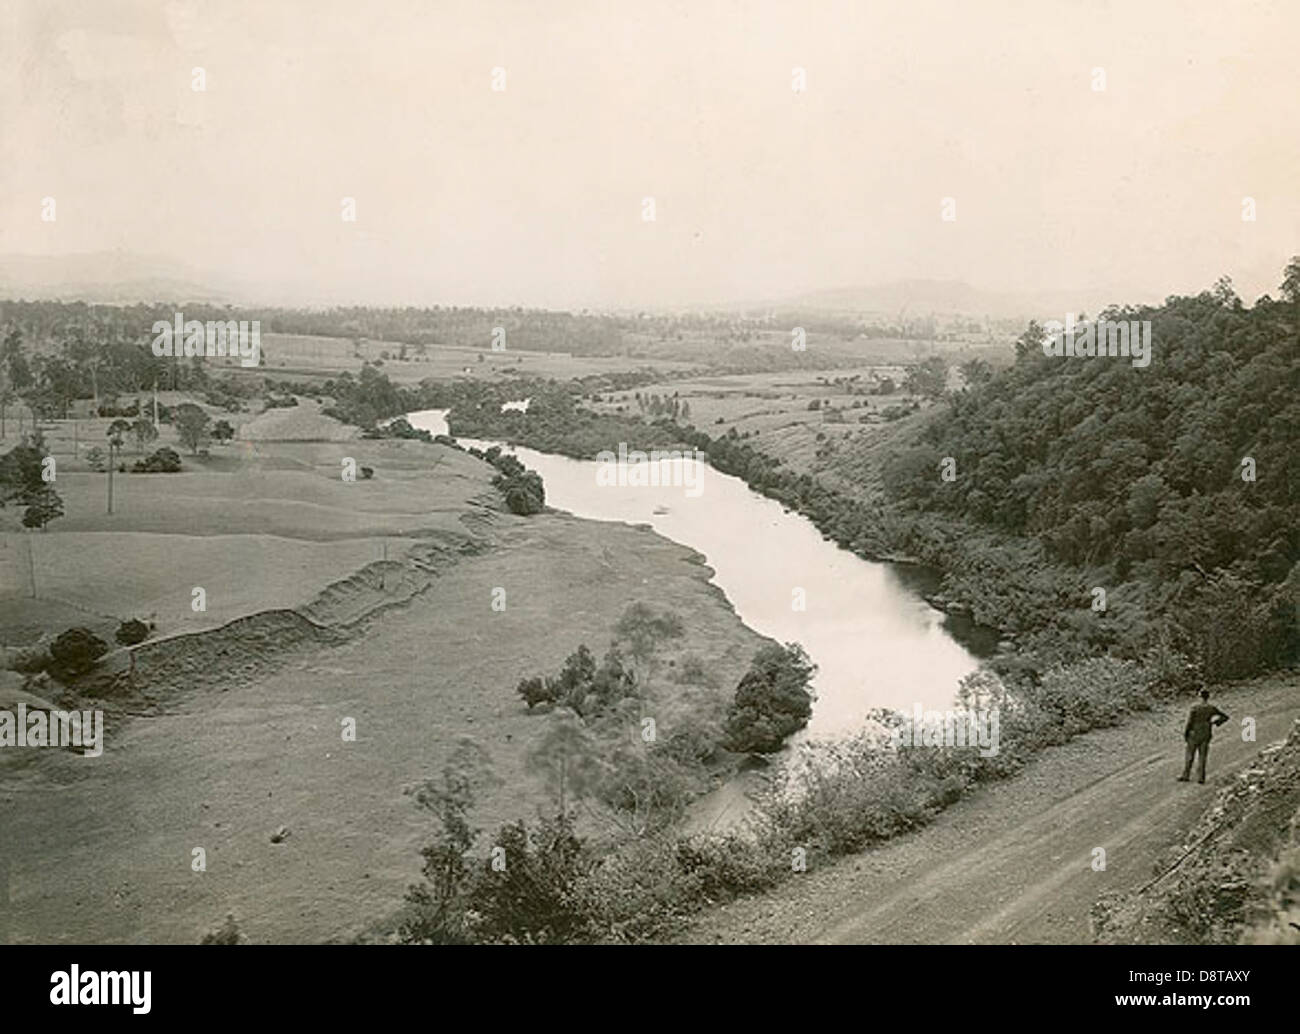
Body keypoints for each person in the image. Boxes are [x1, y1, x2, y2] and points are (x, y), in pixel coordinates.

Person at [1178, 689, 1230, 784]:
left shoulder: (1195, 708)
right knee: (1203, 756)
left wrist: (1186, 733)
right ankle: (1201, 777)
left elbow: (1190, 722)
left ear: (1200, 696)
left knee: (1190, 755)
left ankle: (1186, 775)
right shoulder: (1211, 708)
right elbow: (1225, 717)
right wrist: (1216, 722)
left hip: (1194, 733)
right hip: (1206, 733)